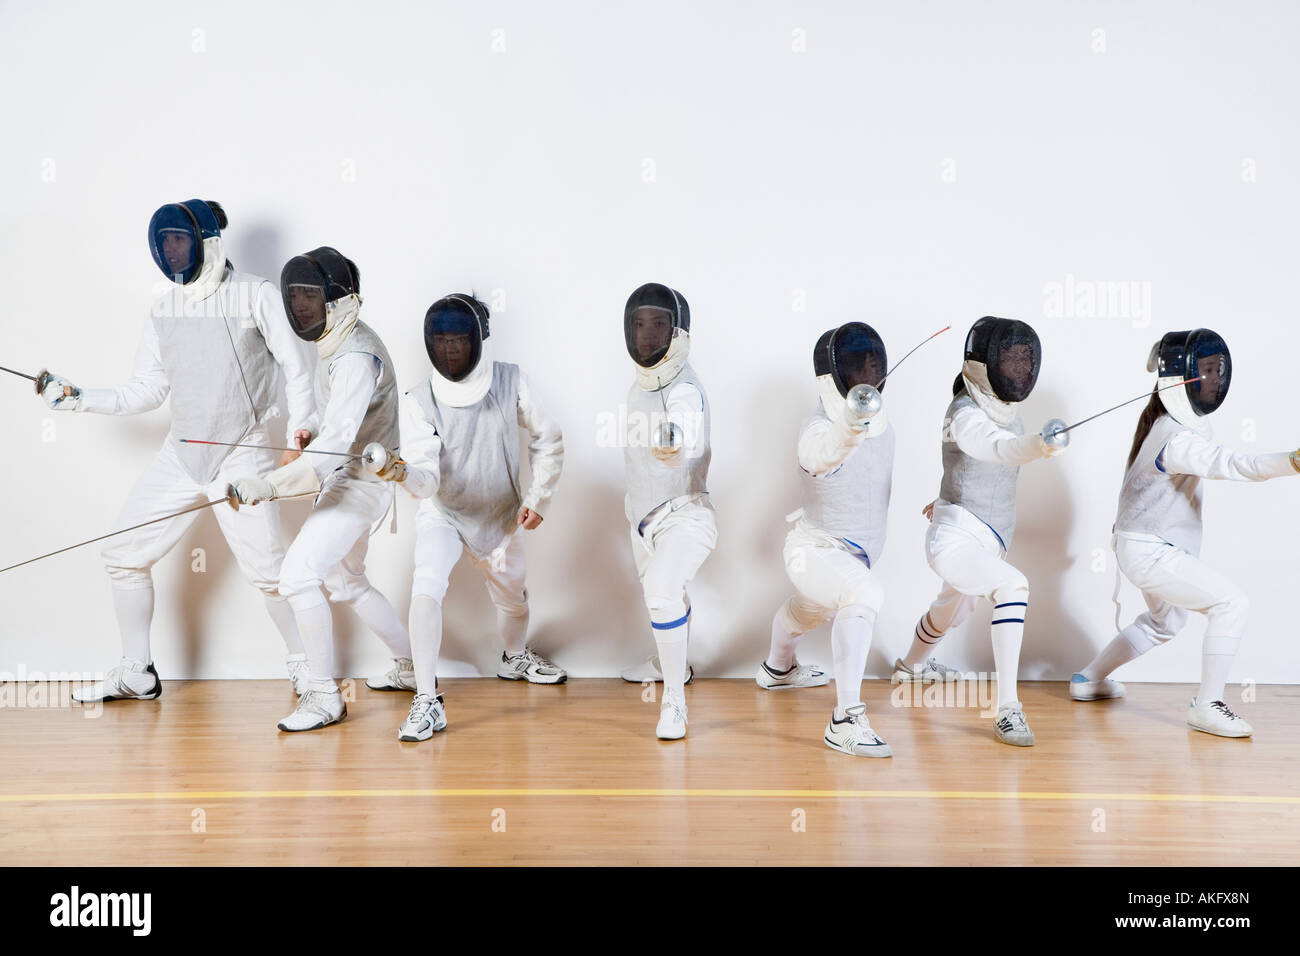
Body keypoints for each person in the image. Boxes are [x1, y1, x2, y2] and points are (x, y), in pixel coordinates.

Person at [39, 199, 318, 703]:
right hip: (181, 453)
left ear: (205, 241)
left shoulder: (255, 294)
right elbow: (145, 390)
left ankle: (307, 670)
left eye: (179, 240)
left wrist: (302, 434)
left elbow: (296, 367)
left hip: (243, 453)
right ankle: (137, 670)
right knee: (123, 555)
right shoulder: (163, 308)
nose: (171, 251)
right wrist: (80, 399)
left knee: (271, 575)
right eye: (165, 242)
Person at [1071, 329, 1297, 738]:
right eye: (1204, 372)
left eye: (1216, 371)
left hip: (1138, 545)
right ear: (1181, 380)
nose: (1213, 380)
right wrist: (1292, 461)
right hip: (1149, 552)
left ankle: (1088, 680)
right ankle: (1207, 705)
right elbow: (1237, 464)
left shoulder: (1160, 424)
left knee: (1164, 622)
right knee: (1231, 603)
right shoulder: (1176, 439)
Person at [227, 246, 411, 733]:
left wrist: (267, 485)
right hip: (352, 475)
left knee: (297, 576)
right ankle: (411, 665)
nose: (303, 308)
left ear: (340, 300)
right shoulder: (335, 340)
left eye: (311, 296)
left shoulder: (355, 356)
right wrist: (304, 428)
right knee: (348, 581)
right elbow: (330, 422)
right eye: (297, 297)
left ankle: (326, 696)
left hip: (360, 482)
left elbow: (332, 451)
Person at [385, 293, 564, 742]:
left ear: (480, 339)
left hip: (502, 517)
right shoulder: (419, 399)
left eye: (459, 340)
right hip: (444, 513)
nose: (449, 350)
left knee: (513, 601)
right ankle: (427, 700)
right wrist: (403, 473)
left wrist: (539, 498)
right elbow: (425, 478)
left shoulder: (511, 381)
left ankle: (514, 657)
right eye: (441, 341)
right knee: (425, 585)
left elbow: (548, 437)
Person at [899, 317, 1067, 746]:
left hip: (984, 537)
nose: (1016, 367)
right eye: (1007, 359)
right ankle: (1008, 709)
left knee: (951, 609)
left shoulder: (1007, 413)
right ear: (983, 363)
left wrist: (946, 495)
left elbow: (974, 467)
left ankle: (910, 668)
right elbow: (994, 448)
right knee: (1013, 586)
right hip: (953, 538)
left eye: (1020, 359)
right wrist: (1039, 446)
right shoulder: (964, 413)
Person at [760, 322, 895, 757]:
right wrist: (850, 426)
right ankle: (845, 720)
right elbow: (821, 456)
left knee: (812, 608)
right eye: (857, 363)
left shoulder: (884, 422)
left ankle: (777, 668)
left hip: (852, 555)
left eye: (872, 362)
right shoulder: (817, 427)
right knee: (862, 594)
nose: (867, 369)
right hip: (812, 550)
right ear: (833, 375)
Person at [620, 283, 715, 740]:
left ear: (677, 333)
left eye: (659, 325)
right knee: (666, 596)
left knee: (661, 591)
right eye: (641, 325)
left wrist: (672, 438)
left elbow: (684, 422)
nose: (648, 335)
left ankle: (674, 701)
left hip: (687, 514)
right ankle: (670, 663)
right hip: (641, 519)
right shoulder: (638, 387)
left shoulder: (686, 388)